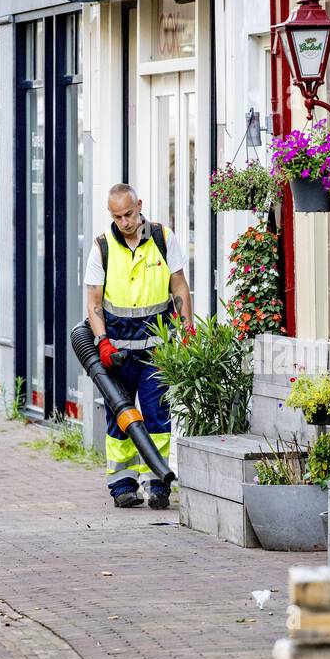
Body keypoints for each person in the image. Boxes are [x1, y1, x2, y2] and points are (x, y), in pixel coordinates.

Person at [85, 183, 193, 508]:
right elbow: (93, 303)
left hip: (156, 350)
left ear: (139, 206)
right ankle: (122, 485)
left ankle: (158, 482)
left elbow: (179, 285)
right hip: (117, 354)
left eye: (129, 214)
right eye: (117, 216)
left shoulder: (163, 237)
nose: (125, 222)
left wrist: (187, 328)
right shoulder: (102, 247)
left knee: (158, 417)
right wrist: (102, 341)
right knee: (120, 417)